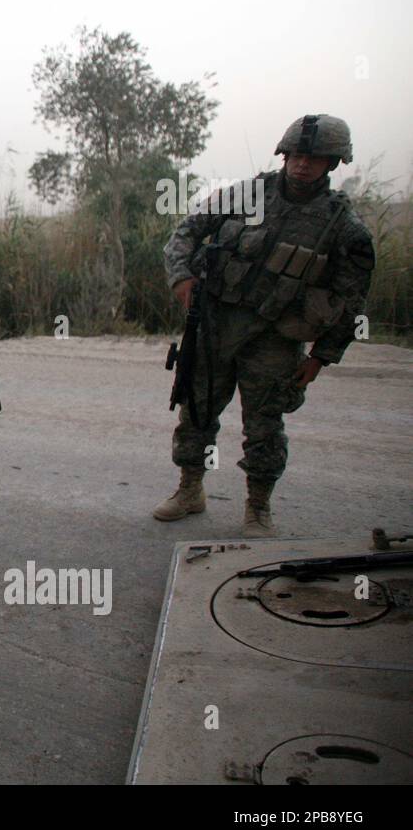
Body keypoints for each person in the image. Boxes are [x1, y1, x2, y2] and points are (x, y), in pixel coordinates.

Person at [155, 114, 375, 537]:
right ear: (285, 154)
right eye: (296, 155)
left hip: (274, 337)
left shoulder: (342, 226)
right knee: (196, 410)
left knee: (264, 426)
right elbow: (185, 232)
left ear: (333, 163)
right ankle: (189, 490)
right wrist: (181, 276)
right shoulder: (246, 194)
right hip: (215, 324)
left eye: (314, 158)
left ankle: (258, 508)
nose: (302, 165)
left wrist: (321, 357)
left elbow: (351, 301)